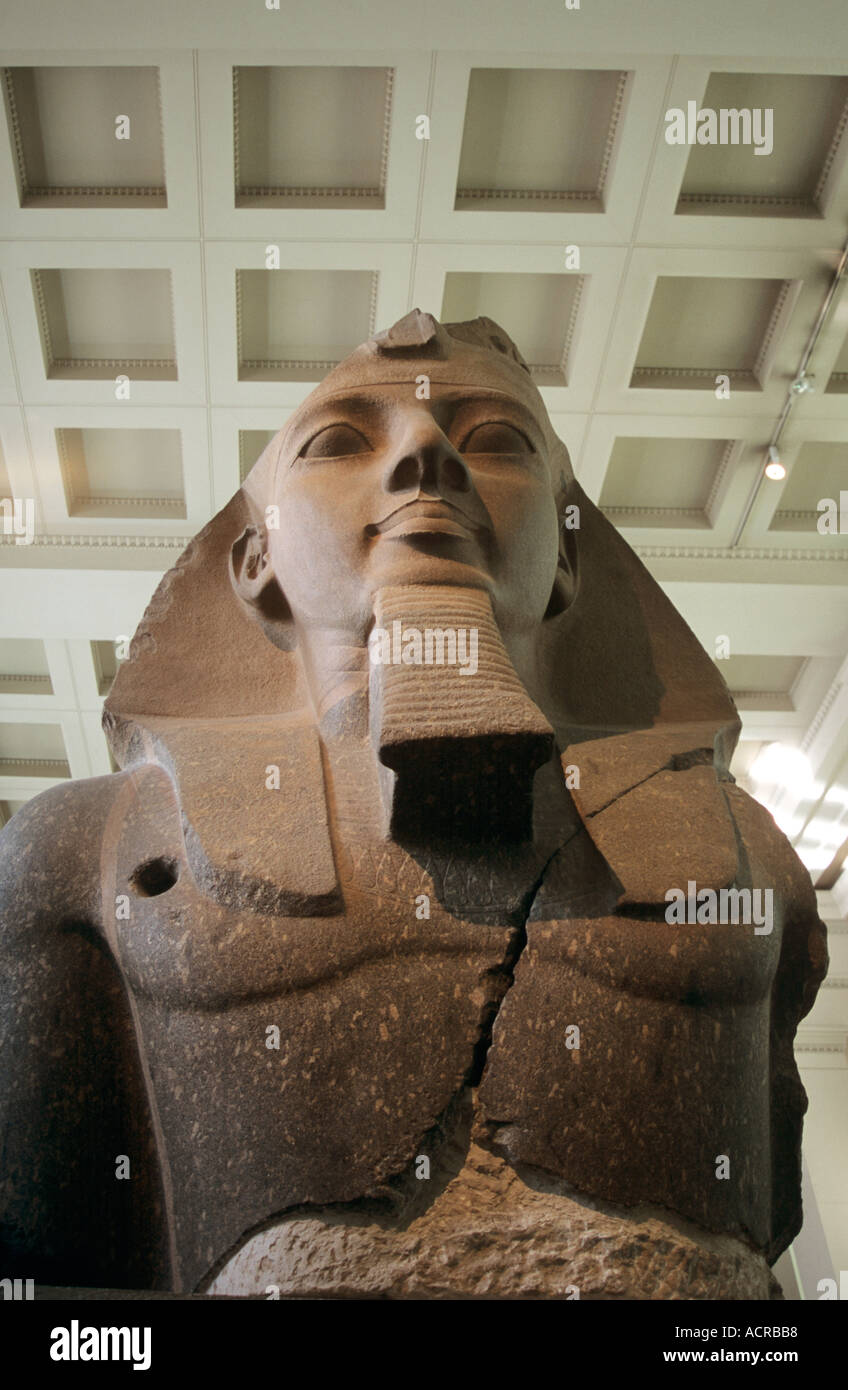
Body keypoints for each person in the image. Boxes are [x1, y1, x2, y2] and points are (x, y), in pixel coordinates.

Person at [0, 311, 827, 1299]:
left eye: (496, 442)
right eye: (340, 442)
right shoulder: (82, 849)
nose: (426, 455)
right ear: (253, 562)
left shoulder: (750, 853)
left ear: (569, 558)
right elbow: (66, 1279)